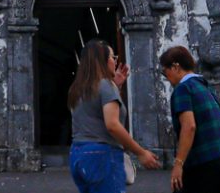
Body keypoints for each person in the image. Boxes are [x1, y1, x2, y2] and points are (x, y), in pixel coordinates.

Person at [67, 39, 161, 193]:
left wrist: (116, 87)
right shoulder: (105, 85)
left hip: (78, 154)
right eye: (112, 57)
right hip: (102, 155)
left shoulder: (77, 88)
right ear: (102, 61)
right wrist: (141, 152)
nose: (116, 61)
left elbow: (92, 113)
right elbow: (112, 125)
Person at [159, 46, 220, 192]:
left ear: (176, 67)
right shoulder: (206, 87)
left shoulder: (183, 89)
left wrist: (178, 164)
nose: (167, 78)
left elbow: (189, 127)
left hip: (204, 160)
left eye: (165, 72)